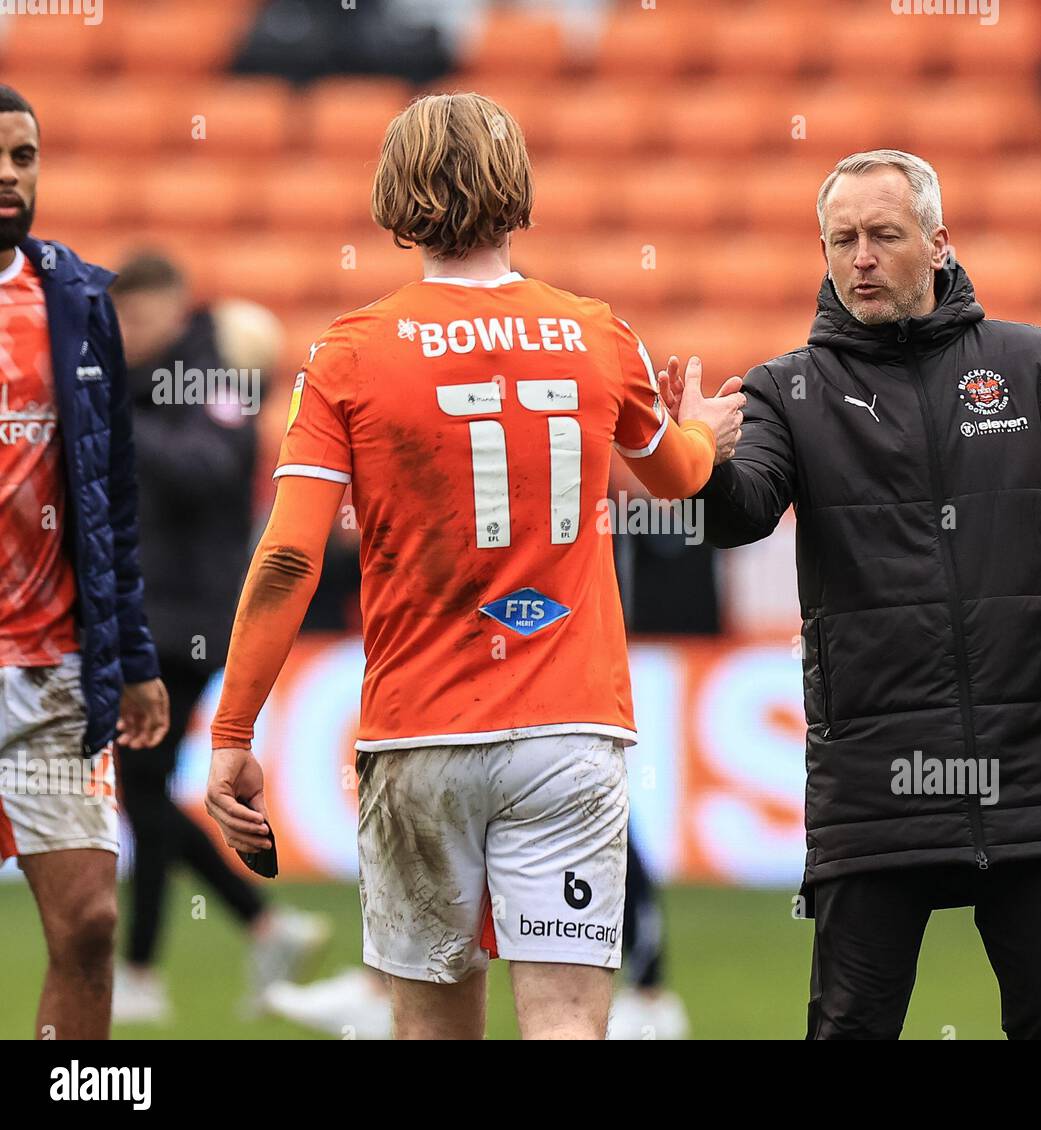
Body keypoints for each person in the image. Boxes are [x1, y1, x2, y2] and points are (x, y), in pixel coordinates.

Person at [203, 92, 744, 1040]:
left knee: (431, 1032)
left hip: (419, 732)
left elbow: (289, 557)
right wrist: (706, 426)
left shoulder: (351, 353)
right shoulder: (592, 332)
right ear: (518, 188)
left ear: (392, 192)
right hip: (567, 727)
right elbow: (681, 478)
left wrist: (233, 731)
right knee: (570, 1025)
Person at [662, 149, 1041, 1040]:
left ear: (937, 243)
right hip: (874, 781)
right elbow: (740, 515)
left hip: (1033, 769)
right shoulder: (790, 388)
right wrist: (697, 458)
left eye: (883, 235)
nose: (860, 256)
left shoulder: (1033, 360)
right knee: (851, 1028)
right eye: (841, 239)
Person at [108, 255, 329, 1023]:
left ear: (173, 310)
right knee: (143, 789)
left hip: (189, 621)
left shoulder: (217, 375)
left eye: (135, 318)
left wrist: (117, 421)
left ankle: (148, 969)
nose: (125, 334)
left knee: (139, 786)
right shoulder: (140, 379)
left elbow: (211, 467)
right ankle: (260, 926)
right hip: (148, 613)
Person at [0, 85, 169, 1040]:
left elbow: (112, 496)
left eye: (24, 156)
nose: (9, 175)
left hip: (55, 668)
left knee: (92, 926)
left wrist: (137, 656)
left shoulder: (73, 301)